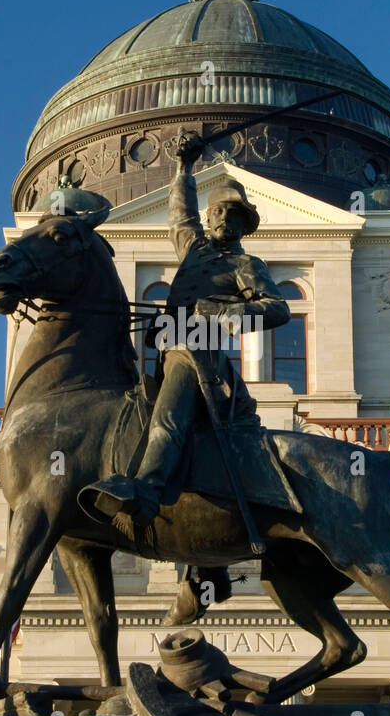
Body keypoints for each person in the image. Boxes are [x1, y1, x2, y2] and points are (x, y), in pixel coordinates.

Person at [86, 135, 290, 527]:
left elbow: (277, 310)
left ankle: (146, 488)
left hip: (200, 351)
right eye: (220, 212)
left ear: (244, 226)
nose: (225, 220)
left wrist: (225, 312)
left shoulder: (247, 264)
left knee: (170, 414)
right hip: (168, 343)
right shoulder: (194, 248)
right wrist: (183, 168)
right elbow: (180, 215)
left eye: (235, 216)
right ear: (210, 216)